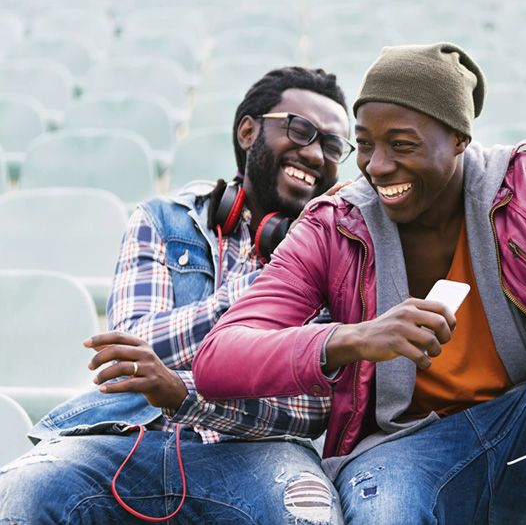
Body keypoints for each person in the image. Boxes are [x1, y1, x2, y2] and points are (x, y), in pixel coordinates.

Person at [192, 43, 526, 524]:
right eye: (366, 144)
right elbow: (218, 358)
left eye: (402, 145)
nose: (377, 166)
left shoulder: (524, 183)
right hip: (402, 454)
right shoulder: (333, 224)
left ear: (460, 139)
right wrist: (355, 338)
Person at [0, 66, 352, 524]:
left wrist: (178, 390)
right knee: (21, 493)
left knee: (308, 515)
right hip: (127, 437)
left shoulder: (336, 251)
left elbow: (310, 404)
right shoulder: (164, 219)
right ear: (248, 130)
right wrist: (268, 289)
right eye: (300, 130)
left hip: (259, 455)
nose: (314, 153)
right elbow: (128, 353)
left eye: (331, 146)